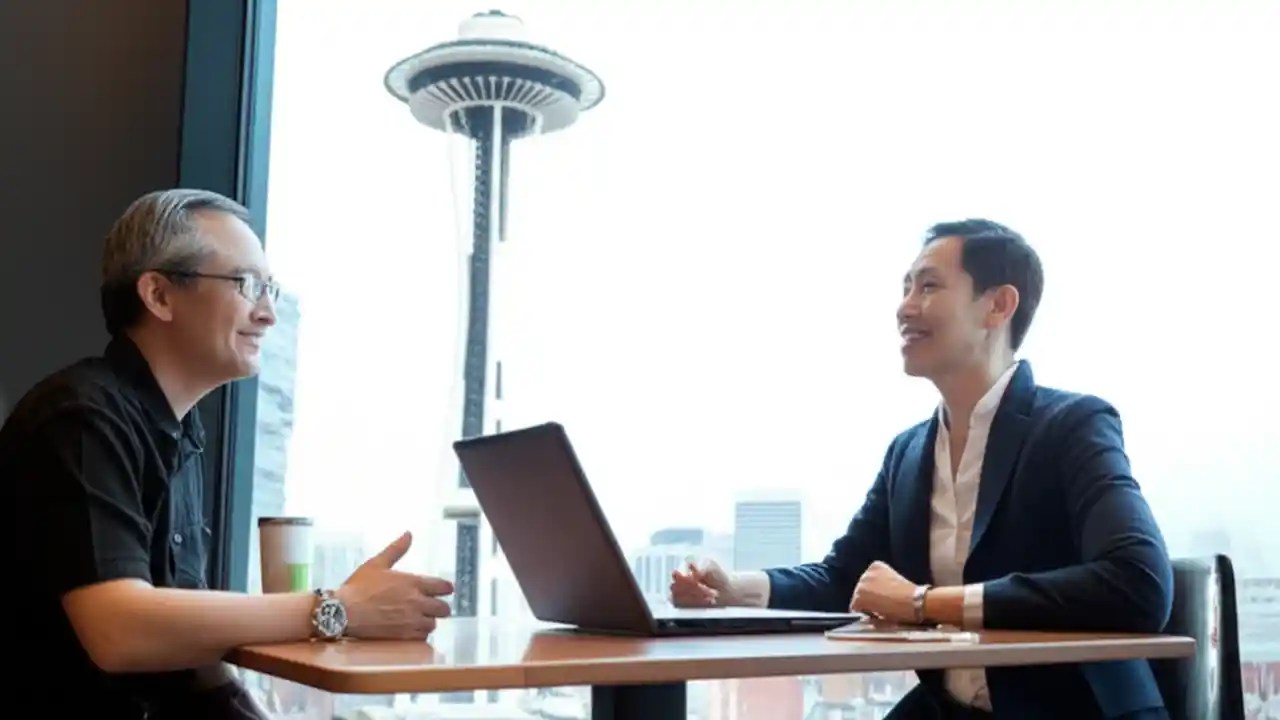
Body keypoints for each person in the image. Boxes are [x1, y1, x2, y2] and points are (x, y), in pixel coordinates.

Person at [671, 220, 1174, 719]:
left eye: (929, 286)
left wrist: (922, 602)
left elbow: (1139, 583)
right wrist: (735, 589)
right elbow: (845, 579)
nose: (904, 307)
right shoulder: (908, 453)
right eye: (906, 288)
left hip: (1077, 710)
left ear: (998, 305)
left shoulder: (1074, 425)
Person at [1, 189, 454, 718]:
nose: (267, 314)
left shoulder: (177, 430)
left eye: (270, 289)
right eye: (245, 285)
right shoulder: (80, 417)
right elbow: (120, 630)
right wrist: (339, 608)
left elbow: (191, 660)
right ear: (160, 295)